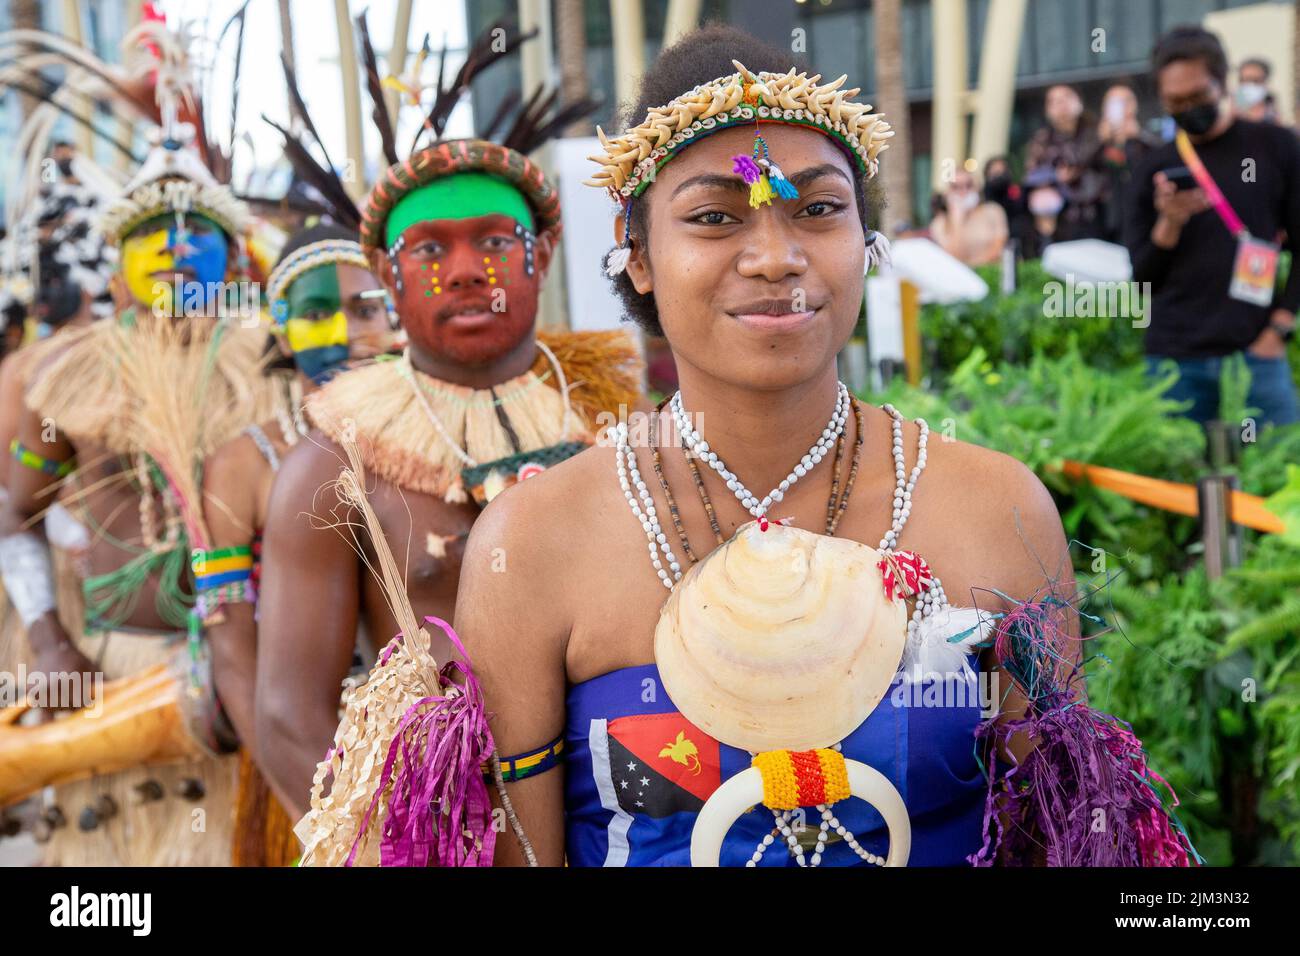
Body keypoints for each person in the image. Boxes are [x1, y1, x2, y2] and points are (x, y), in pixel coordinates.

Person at [294, 26, 1195, 869]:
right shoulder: (534, 544)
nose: (774, 256)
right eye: (716, 218)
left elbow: (1058, 838)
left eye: (818, 209)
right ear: (637, 256)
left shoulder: (994, 510)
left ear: (865, 242)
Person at [252, 19, 641, 820]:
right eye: (429, 252)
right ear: (389, 282)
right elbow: (290, 719)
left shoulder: (625, 428)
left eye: (495, 242)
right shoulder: (335, 467)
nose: (466, 272)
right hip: (442, 828)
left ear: (539, 256)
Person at [0, 23, 277, 864]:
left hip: (261, 670)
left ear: (233, 257)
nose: (173, 253)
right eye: (150, 237)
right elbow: (14, 516)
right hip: (119, 673)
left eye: (196, 235)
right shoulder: (71, 378)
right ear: (116, 266)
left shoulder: (278, 367)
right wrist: (49, 638)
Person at [199, 222, 395, 866]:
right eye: (317, 313)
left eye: (365, 308)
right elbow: (228, 638)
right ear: (281, 329)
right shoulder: (243, 463)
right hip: (308, 768)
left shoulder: (433, 435)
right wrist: (316, 815)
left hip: (430, 745)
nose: (345, 331)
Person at [1125, 26, 1300, 427]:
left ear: (1223, 82)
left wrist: (1279, 327)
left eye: (1198, 96)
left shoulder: (1276, 146)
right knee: (1178, 478)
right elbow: (1141, 278)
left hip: (1257, 351)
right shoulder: (1153, 168)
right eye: (1175, 101)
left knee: (1280, 475)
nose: (1188, 107)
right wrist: (1169, 223)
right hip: (1174, 357)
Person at [1026, 84, 1106, 242]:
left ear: (1079, 102)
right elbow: (1031, 175)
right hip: (1063, 218)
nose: (1061, 105)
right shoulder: (1043, 139)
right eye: (1054, 101)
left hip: (1099, 212)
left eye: (1066, 98)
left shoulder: (1097, 131)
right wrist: (1055, 176)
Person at [1093, 84, 1159, 243]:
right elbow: (1086, 167)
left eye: (1122, 102)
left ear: (1133, 105)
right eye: (1111, 103)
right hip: (1108, 218)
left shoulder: (1149, 133)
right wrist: (1101, 141)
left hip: (1144, 215)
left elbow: (1160, 158)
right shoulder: (1097, 139)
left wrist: (1137, 137)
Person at [928, 167, 1008, 266]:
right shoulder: (939, 223)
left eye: (969, 185)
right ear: (947, 192)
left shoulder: (993, 211)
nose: (963, 191)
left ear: (977, 188)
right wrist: (957, 221)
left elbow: (998, 247)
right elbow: (951, 258)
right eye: (956, 187)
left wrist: (974, 267)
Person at [1234, 57, 1276, 124]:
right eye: (1245, 80)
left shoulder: (1273, 117)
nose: (1250, 85)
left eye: (1256, 81)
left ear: (1265, 82)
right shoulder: (1228, 120)